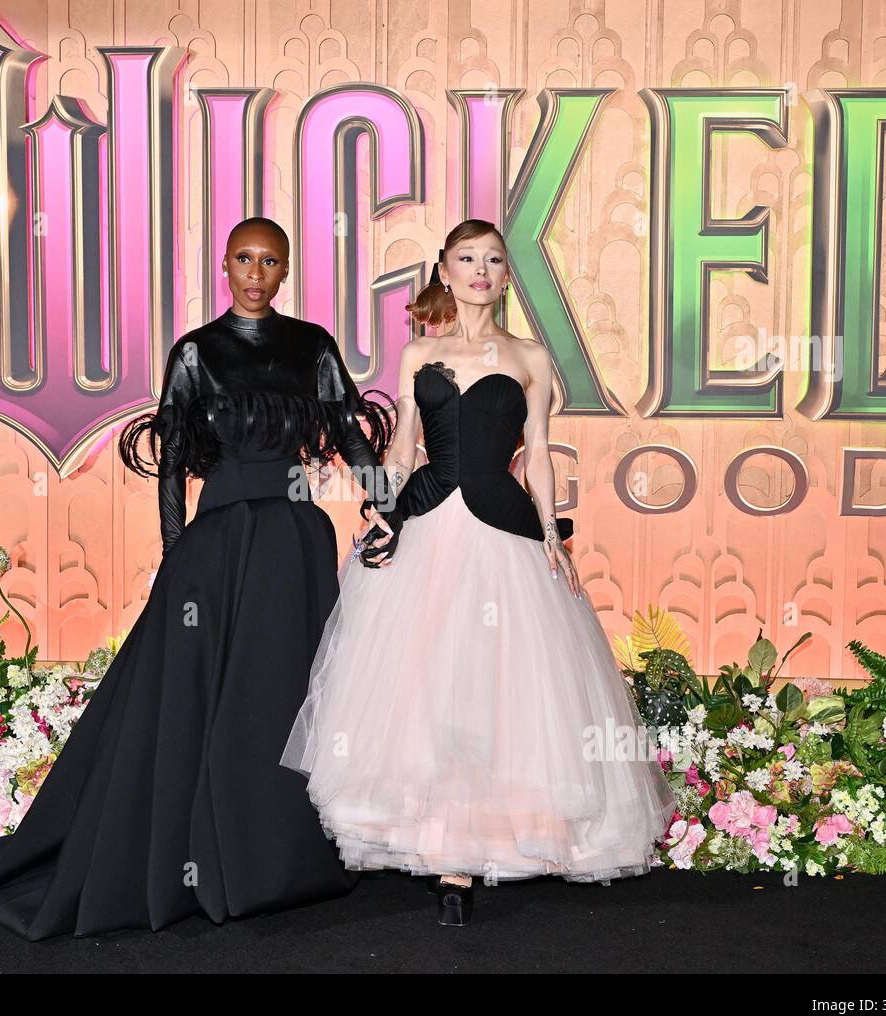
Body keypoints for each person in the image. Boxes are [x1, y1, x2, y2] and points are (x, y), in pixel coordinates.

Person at [0, 217, 403, 937]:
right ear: (225, 265)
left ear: (286, 271)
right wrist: (176, 555)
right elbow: (171, 465)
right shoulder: (197, 351)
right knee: (203, 695)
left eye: (270, 261)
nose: (256, 273)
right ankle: (203, 859)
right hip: (218, 543)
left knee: (284, 694)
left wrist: (387, 508)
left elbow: (351, 437)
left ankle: (281, 859)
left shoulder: (312, 346)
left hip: (294, 542)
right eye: (244, 259)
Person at [281, 219, 677, 926]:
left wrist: (551, 533)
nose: (481, 270)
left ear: (505, 275)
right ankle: (448, 859)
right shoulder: (419, 353)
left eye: (493, 259)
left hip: (504, 533)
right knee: (428, 689)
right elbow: (403, 449)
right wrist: (383, 510)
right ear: (445, 269)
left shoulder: (530, 356)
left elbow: (540, 452)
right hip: (429, 529)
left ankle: (491, 840)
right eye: (467, 258)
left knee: (504, 690)